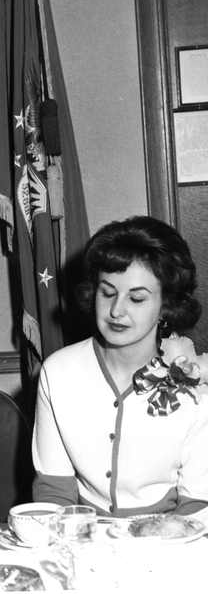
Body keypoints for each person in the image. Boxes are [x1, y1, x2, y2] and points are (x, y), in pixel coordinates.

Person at [32, 215, 208, 516]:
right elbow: (53, 491)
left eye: (136, 298)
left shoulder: (196, 382)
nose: (116, 310)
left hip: (173, 541)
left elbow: (198, 503)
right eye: (107, 292)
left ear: (167, 304)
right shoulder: (57, 372)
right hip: (80, 539)